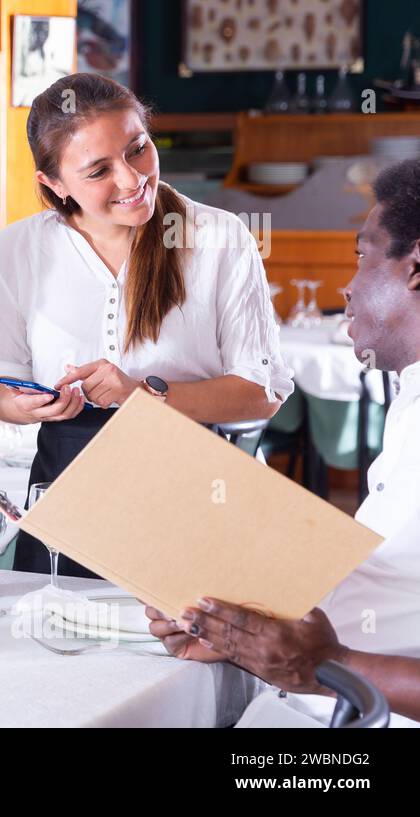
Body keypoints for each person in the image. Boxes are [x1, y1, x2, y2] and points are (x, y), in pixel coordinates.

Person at [0, 73, 292, 579]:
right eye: (99, 170)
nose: (131, 179)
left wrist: (143, 396)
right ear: (54, 184)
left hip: (191, 483)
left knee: (185, 653)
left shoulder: (218, 237)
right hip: (64, 483)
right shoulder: (17, 249)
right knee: (57, 644)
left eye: (138, 149)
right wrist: (21, 404)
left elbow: (264, 391)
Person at [147, 157, 420, 725]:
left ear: (415, 267)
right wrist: (242, 635)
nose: (347, 287)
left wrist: (329, 663)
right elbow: (393, 591)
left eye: (361, 256)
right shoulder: (410, 399)